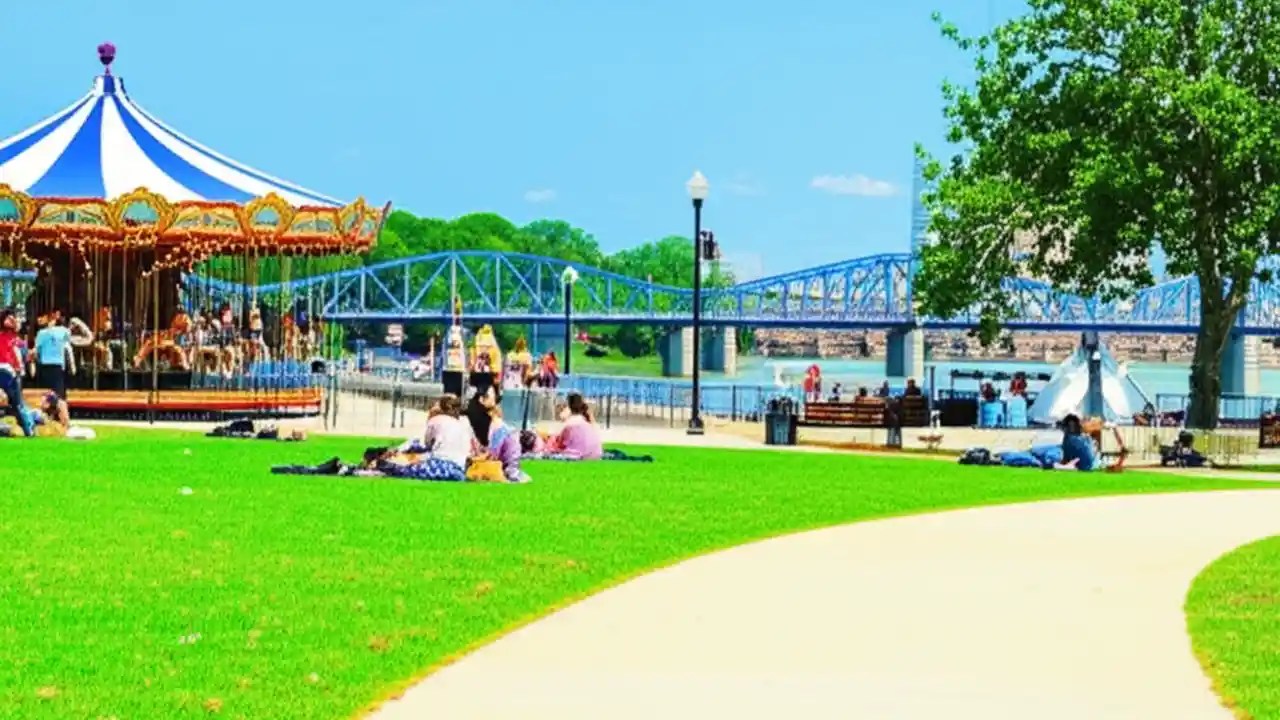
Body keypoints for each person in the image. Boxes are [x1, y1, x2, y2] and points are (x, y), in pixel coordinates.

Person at [0, 309, 34, 437]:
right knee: (18, 404)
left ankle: (28, 428)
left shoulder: (13, 339)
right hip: (11, 372)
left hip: (7, 370)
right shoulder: (16, 340)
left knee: (18, 404)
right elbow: (23, 358)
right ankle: (29, 430)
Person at [34, 311, 74, 400]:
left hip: (48, 364)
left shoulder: (42, 333)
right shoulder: (63, 331)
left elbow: (37, 350)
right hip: (55, 364)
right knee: (58, 392)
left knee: (50, 392)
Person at [554, 392, 603, 460]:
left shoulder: (569, 424)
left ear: (568, 406)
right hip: (595, 454)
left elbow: (559, 445)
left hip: (579, 454)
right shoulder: (587, 422)